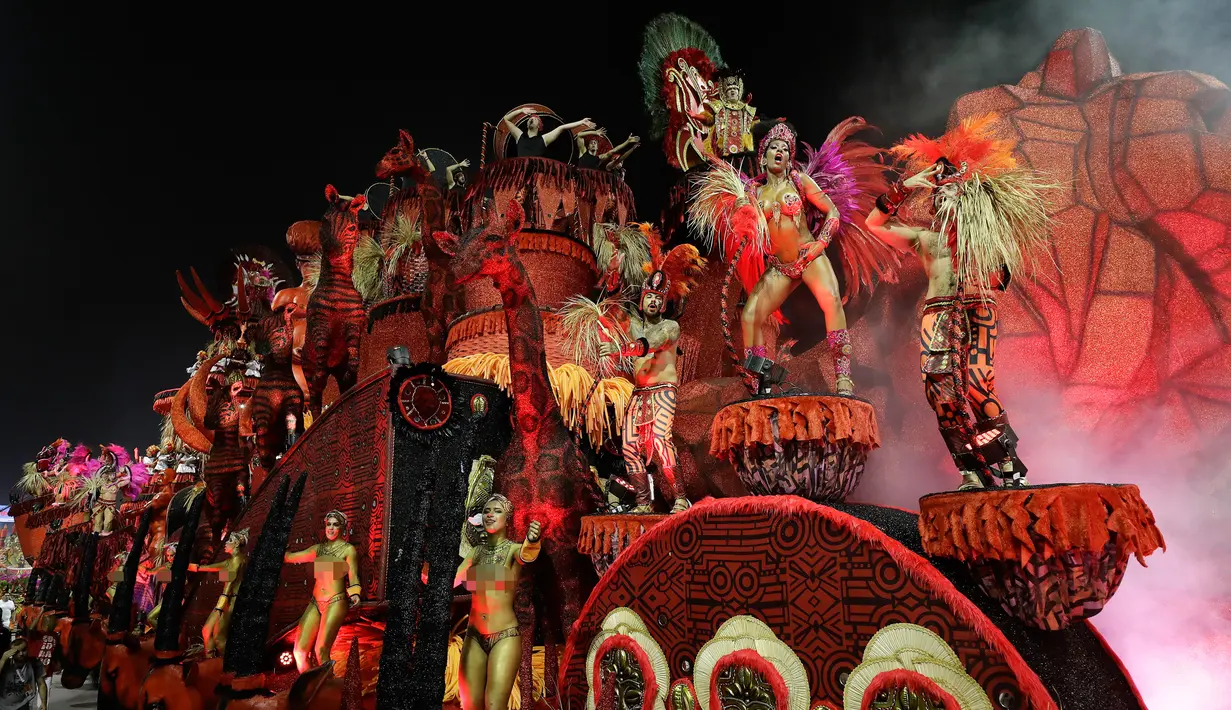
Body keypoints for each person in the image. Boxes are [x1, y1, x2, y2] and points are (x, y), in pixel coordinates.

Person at [864, 113, 1055, 490]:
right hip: (937, 315)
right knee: (941, 394)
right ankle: (970, 471)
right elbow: (874, 224)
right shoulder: (924, 239)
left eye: (951, 190)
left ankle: (1009, 467)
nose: (944, 196)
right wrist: (905, 186)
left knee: (977, 384)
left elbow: (1001, 275)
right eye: (939, 193)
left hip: (976, 309)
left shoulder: (983, 235)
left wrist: (978, 219)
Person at [689, 118, 899, 396]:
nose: (780, 152)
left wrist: (820, 244)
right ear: (763, 156)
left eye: (785, 149)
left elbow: (832, 212)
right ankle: (759, 381)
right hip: (780, 267)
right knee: (750, 315)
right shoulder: (753, 192)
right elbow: (746, 229)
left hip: (809, 257)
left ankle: (843, 378)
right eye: (774, 147)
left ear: (789, 159)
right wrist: (742, 219)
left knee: (832, 302)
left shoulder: (800, 182)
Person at [450, 495, 541, 710]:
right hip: (473, 637)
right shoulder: (475, 552)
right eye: (487, 511)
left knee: (494, 706)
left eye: (497, 511)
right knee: (470, 705)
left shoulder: (513, 550)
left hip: (504, 637)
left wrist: (533, 539)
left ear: (507, 519)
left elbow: (527, 554)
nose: (490, 515)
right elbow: (452, 580)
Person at [283, 511, 361, 672]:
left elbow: (353, 575)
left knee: (321, 651)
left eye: (335, 525)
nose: (331, 528)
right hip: (315, 603)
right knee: (299, 652)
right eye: (328, 524)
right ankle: (310, 684)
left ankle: (328, 685)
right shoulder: (318, 549)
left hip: (335, 601)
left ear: (342, 528)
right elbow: (290, 558)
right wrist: (281, 542)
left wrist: (355, 593)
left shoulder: (348, 550)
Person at [187, 529, 248, 656]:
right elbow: (212, 568)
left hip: (230, 601)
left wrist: (220, 607)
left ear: (237, 544)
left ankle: (228, 663)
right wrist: (195, 567)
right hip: (225, 601)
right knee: (206, 631)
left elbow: (229, 585)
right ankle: (210, 660)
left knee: (219, 639)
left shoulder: (238, 561)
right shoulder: (230, 561)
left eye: (229, 540)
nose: (226, 543)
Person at [500, 107, 594, 158]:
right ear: (527, 124)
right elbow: (506, 119)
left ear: (539, 126)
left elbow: (561, 127)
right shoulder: (519, 136)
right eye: (530, 118)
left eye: (535, 119)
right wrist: (521, 110)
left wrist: (581, 122)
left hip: (536, 177)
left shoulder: (543, 139)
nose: (531, 119)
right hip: (521, 175)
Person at [0, 639, 46, 710]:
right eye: (17, 651)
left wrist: (43, 702)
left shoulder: (34, 663)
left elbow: (41, 684)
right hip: (3, 705)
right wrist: (3, 660)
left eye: (24, 650)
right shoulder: (5, 663)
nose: (21, 653)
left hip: (23, 703)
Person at [574, 128, 641, 171]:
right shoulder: (583, 152)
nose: (593, 144)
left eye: (595, 143)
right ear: (588, 147)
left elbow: (614, 151)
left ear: (597, 148)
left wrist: (627, 142)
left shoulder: (599, 158)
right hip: (579, 181)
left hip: (589, 185)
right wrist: (595, 132)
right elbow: (579, 135)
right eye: (591, 143)